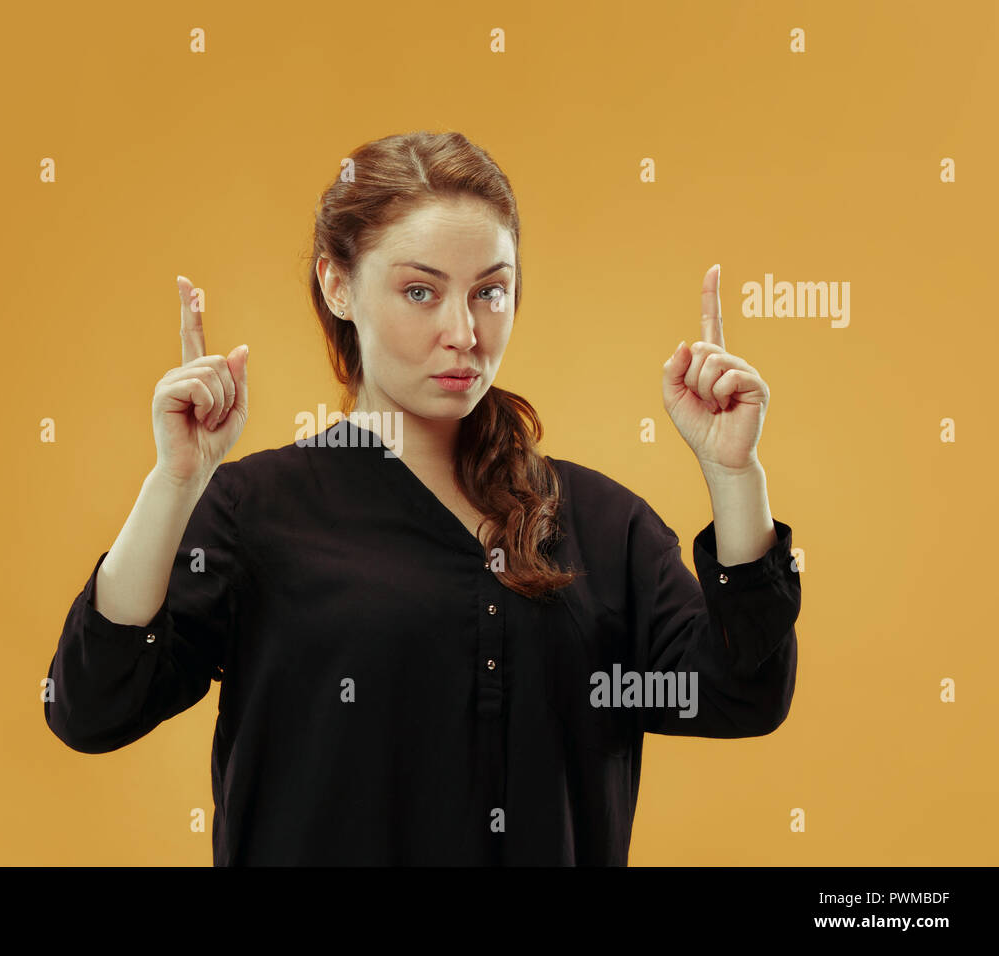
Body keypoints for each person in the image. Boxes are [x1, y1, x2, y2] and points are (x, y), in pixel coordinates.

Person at [43, 130, 801, 866]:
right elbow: (92, 708)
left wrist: (735, 477)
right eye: (418, 291)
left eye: (490, 292)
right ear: (337, 285)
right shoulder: (256, 510)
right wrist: (175, 483)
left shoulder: (604, 523)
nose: (463, 332)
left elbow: (743, 694)